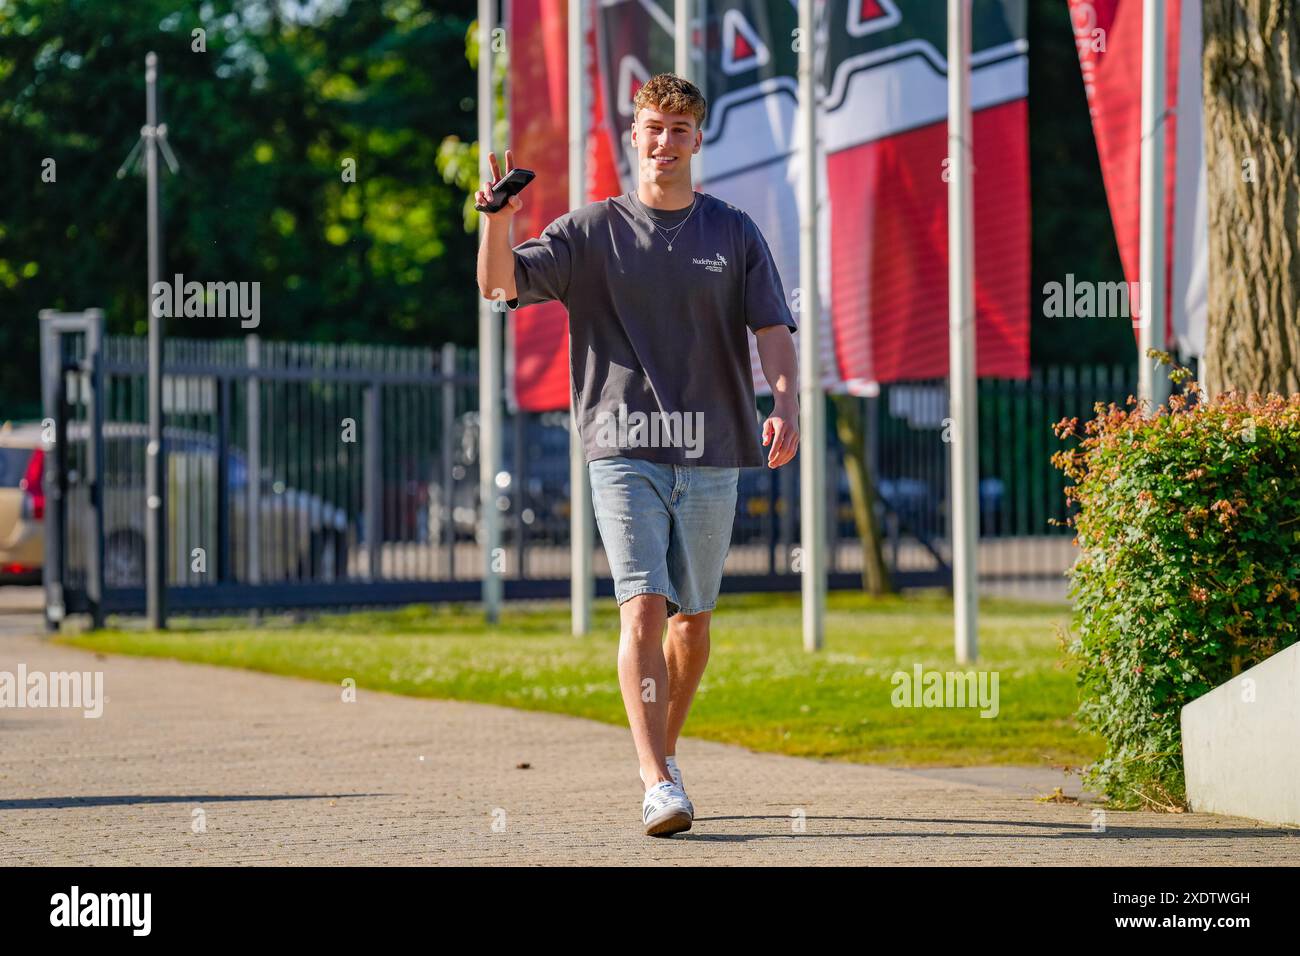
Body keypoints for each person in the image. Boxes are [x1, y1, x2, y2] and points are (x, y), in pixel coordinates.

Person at [475, 73, 800, 837]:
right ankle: (655, 779)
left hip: (715, 445)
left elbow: (773, 331)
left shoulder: (733, 231)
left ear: (697, 138)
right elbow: (500, 285)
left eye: (680, 129)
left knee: (694, 623)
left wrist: (784, 401)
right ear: (634, 135)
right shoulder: (590, 231)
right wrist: (497, 219)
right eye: (652, 127)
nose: (664, 142)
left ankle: (666, 757)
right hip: (622, 445)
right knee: (643, 606)